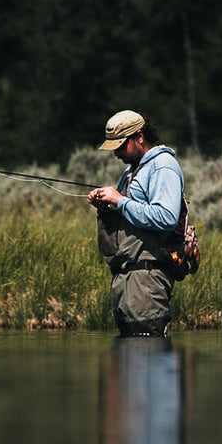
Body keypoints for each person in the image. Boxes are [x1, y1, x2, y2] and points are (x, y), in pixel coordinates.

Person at [86, 110, 185, 337]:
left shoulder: (163, 165)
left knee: (146, 347)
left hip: (146, 281)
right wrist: (106, 205)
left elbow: (166, 217)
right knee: (130, 353)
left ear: (139, 136)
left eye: (121, 146)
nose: (116, 153)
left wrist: (119, 200)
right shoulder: (132, 169)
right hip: (127, 282)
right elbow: (130, 214)